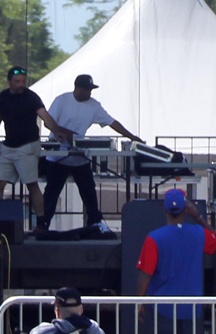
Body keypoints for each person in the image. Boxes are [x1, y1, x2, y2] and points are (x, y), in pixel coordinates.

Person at [135, 188, 216, 334]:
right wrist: (198, 216)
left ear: (164, 209)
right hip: (190, 305)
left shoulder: (154, 238)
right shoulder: (198, 234)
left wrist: (140, 301)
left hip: (163, 305)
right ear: (185, 208)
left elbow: (145, 274)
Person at [37, 73, 144, 233]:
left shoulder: (93, 105)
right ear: (77, 88)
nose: (89, 93)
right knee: (52, 191)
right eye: (86, 89)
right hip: (58, 156)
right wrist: (67, 134)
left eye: (90, 90)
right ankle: (43, 224)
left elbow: (111, 122)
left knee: (88, 190)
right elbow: (48, 122)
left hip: (79, 157)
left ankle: (95, 222)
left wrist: (132, 137)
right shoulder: (62, 100)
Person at [0, 67, 70, 224]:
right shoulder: (3, 97)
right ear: (9, 82)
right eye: (17, 81)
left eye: (23, 81)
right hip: (8, 147)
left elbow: (45, 117)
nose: (21, 84)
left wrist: (56, 131)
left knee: (32, 185)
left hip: (27, 147)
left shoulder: (31, 97)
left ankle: (41, 222)